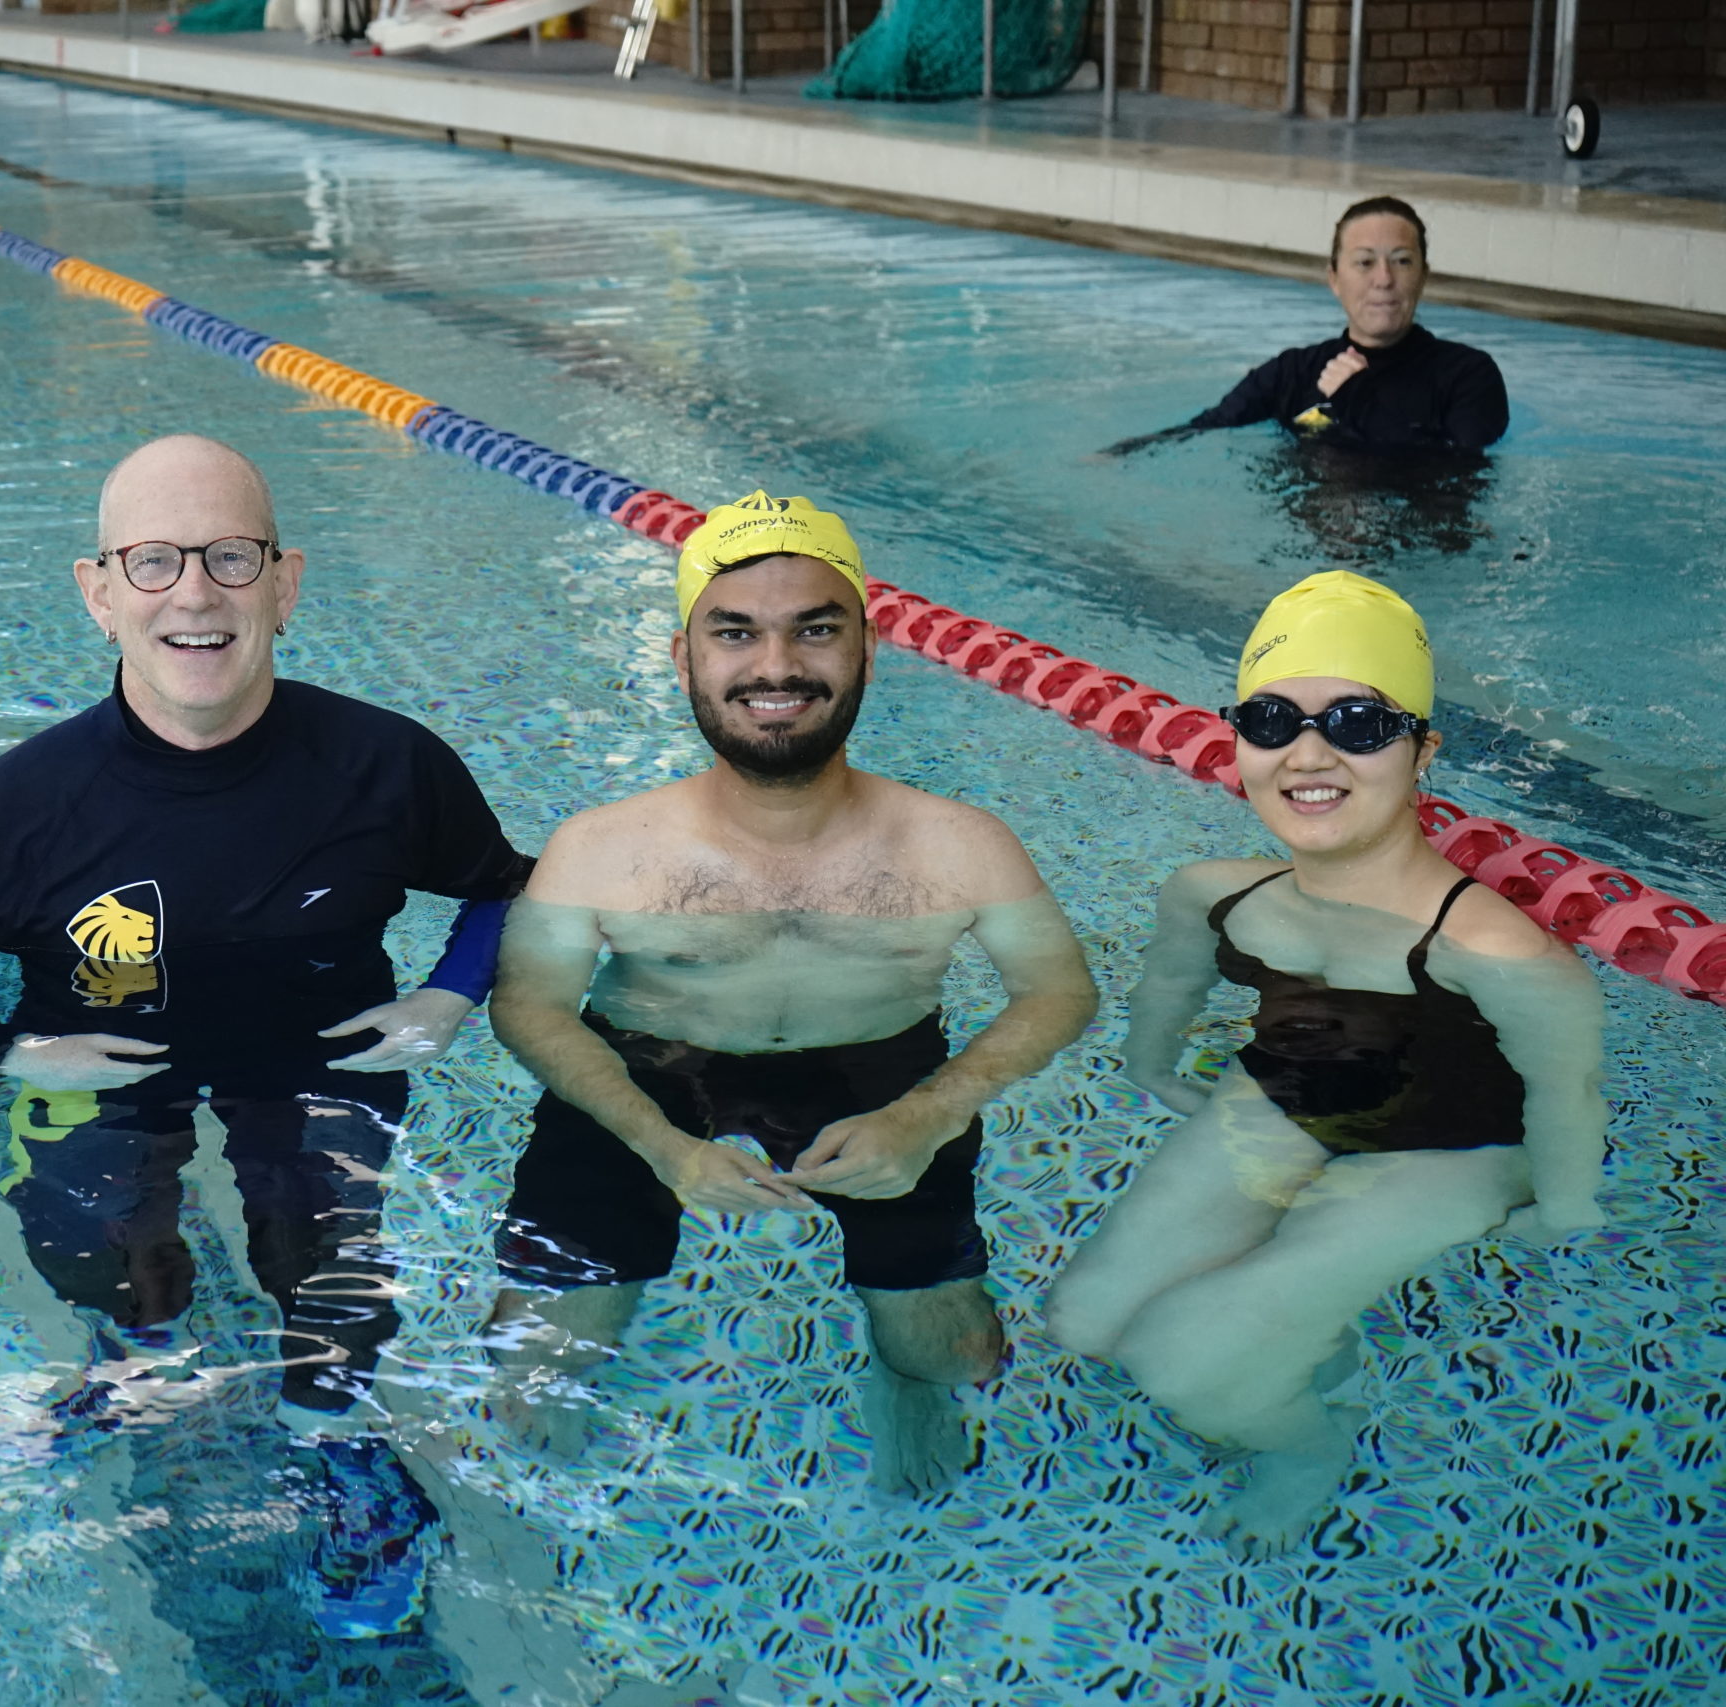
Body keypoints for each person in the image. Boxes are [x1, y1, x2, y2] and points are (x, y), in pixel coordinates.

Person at [0, 435, 529, 1635]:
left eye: (228, 557)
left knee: (326, 1251)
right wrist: (7, 1055)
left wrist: (451, 994)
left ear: (285, 582)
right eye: (152, 563)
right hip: (103, 1059)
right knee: (94, 1227)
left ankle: (338, 1440)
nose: (195, 593)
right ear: (98, 593)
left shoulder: (385, 765)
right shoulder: (9, 811)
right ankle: (126, 1355)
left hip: (314, 1054)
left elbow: (509, 888)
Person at [484, 492, 1098, 1493]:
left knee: (950, 1356)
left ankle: (901, 1395)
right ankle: (553, 1510)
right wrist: (662, 1146)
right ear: (684, 658)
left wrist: (923, 1117)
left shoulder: (960, 845)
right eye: (736, 634)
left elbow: (1058, 993)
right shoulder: (598, 849)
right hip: (649, 1068)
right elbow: (531, 1006)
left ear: (866, 651)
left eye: (815, 629)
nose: (775, 668)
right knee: (527, 1376)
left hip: (881, 1071)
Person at [1044, 571, 1606, 1556]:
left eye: (1356, 723)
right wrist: (1153, 1067)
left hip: (1452, 1149)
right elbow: (1168, 992)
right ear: (1239, 746)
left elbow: (1568, 1096)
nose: (1308, 753)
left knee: (1183, 1362)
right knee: (1084, 1321)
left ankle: (1306, 1444)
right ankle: (1306, 1333)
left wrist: (1558, 1213)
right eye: (1271, 720)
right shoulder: (1216, 896)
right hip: (1295, 1098)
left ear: (1422, 751)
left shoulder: (1498, 952)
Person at [1114, 196, 1509, 457]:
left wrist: (1355, 403)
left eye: (1402, 261)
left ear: (1424, 276)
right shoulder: (1292, 373)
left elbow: (1461, 472)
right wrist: (1120, 453)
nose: (1384, 280)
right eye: (1365, 262)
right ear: (1334, 277)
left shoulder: (1468, 376)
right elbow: (1206, 428)